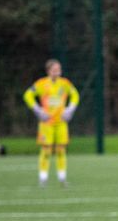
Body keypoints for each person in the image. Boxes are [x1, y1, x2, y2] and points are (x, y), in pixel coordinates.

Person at [23, 59, 80, 187]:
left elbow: (75, 95)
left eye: (59, 69)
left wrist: (70, 109)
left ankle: (62, 178)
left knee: (61, 150)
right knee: (46, 150)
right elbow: (28, 95)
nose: (57, 72)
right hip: (46, 122)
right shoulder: (41, 84)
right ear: (48, 71)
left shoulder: (65, 83)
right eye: (54, 70)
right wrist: (38, 110)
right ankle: (43, 178)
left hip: (61, 122)